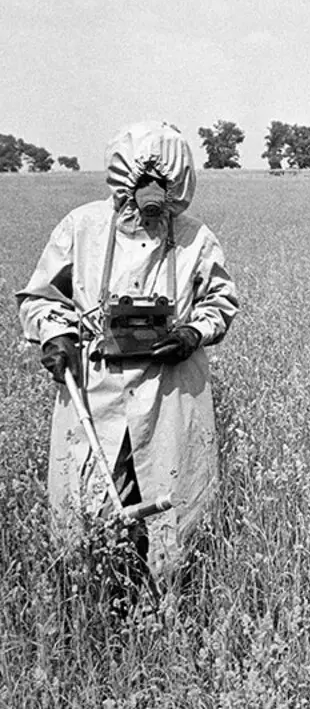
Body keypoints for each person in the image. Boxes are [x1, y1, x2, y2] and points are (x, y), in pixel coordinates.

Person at [16, 121, 239, 587]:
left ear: (179, 186)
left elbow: (220, 301)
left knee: (172, 508)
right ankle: (93, 599)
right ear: (123, 180)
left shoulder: (197, 239)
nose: (152, 197)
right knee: (86, 506)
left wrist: (192, 334)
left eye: (163, 186)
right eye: (143, 183)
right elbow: (40, 298)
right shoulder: (82, 227)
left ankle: (170, 602)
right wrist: (56, 338)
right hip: (94, 388)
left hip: (168, 392)